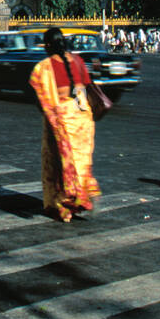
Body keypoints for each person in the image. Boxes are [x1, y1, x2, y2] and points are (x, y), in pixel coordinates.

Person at [29, 27, 101, 222]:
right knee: (81, 163)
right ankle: (83, 195)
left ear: (49, 45)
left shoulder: (45, 66)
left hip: (63, 120)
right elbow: (86, 85)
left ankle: (62, 206)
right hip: (83, 119)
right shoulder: (77, 61)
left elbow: (38, 93)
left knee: (57, 163)